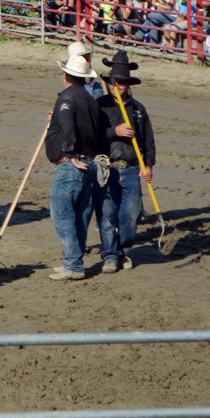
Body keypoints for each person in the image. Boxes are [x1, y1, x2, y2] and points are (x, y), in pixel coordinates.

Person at [44, 54, 110, 281]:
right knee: (80, 215)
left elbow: (69, 127)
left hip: (72, 164)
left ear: (66, 76)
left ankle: (72, 264)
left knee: (62, 214)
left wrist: (70, 153)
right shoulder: (90, 100)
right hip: (90, 162)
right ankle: (74, 262)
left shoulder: (67, 99)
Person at [95, 51, 154, 273]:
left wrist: (148, 165)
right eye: (113, 82)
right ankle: (110, 255)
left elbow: (148, 140)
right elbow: (92, 136)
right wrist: (114, 131)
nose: (116, 86)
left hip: (131, 169)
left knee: (131, 213)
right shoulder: (99, 105)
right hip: (105, 167)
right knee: (107, 214)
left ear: (128, 84)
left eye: (121, 82)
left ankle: (124, 252)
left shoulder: (138, 109)